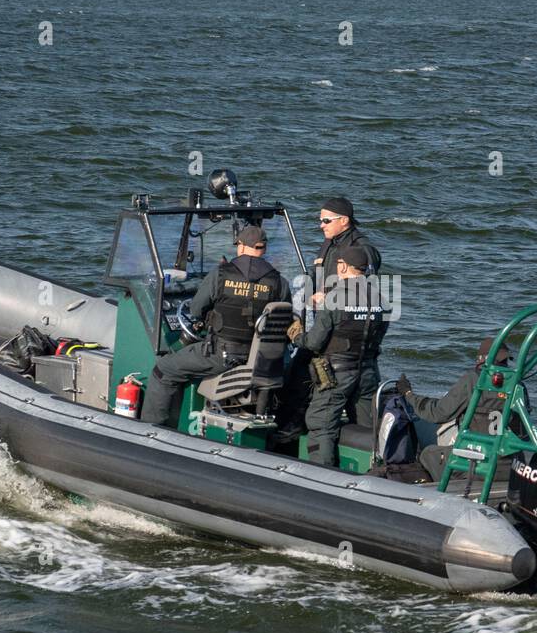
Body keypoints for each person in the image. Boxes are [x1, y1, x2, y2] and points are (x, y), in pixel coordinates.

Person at [141, 225, 291, 427]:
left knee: (163, 370)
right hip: (260, 359)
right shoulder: (279, 282)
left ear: (240, 246)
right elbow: (285, 321)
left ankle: (152, 429)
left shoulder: (221, 274)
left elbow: (195, 310)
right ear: (263, 249)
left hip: (222, 355)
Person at [274, 196, 382, 442]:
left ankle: (291, 434)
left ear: (343, 221)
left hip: (343, 328)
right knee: (299, 372)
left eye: (325, 220)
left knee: (302, 370)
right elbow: (315, 274)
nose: (320, 225)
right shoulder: (330, 243)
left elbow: (365, 281)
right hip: (326, 319)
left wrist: (330, 296)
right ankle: (294, 428)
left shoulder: (361, 248)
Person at [288, 245, 387, 467]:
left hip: (336, 374)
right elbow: (379, 335)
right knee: (366, 427)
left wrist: (296, 336)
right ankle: (373, 473)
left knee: (320, 422)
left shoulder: (335, 297)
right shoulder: (379, 297)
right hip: (368, 372)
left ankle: (322, 477)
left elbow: (314, 341)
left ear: (342, 266)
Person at [398, 338, 522, 482]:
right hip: (508, 465)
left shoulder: (473, 381)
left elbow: (437, 413)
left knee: (428, 454)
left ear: (481, 360)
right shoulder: (518, 386)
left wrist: (409, 395)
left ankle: (443, 491)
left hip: (477, 463)